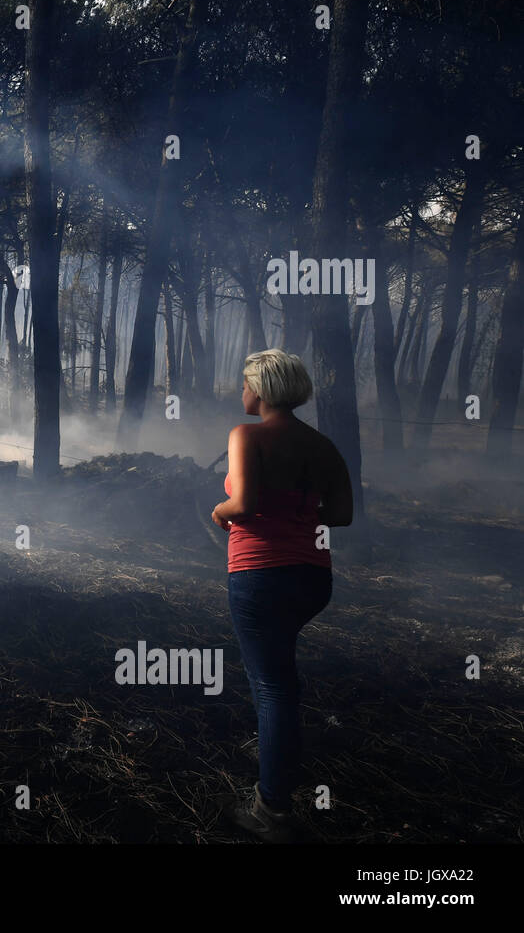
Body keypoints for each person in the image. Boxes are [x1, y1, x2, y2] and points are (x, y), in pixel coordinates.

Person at [211, 349, 353, 843]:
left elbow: (245, 504)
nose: (241, 393)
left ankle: (271, 811)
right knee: (277, 680)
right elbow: (341, 515)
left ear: (262, 389)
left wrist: (219, 508)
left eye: (245, 384)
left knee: (274, 688)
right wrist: (298, 508)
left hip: (260, 574)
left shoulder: (245, 435)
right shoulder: (322, 445)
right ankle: (276, 747)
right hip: (312, 578)